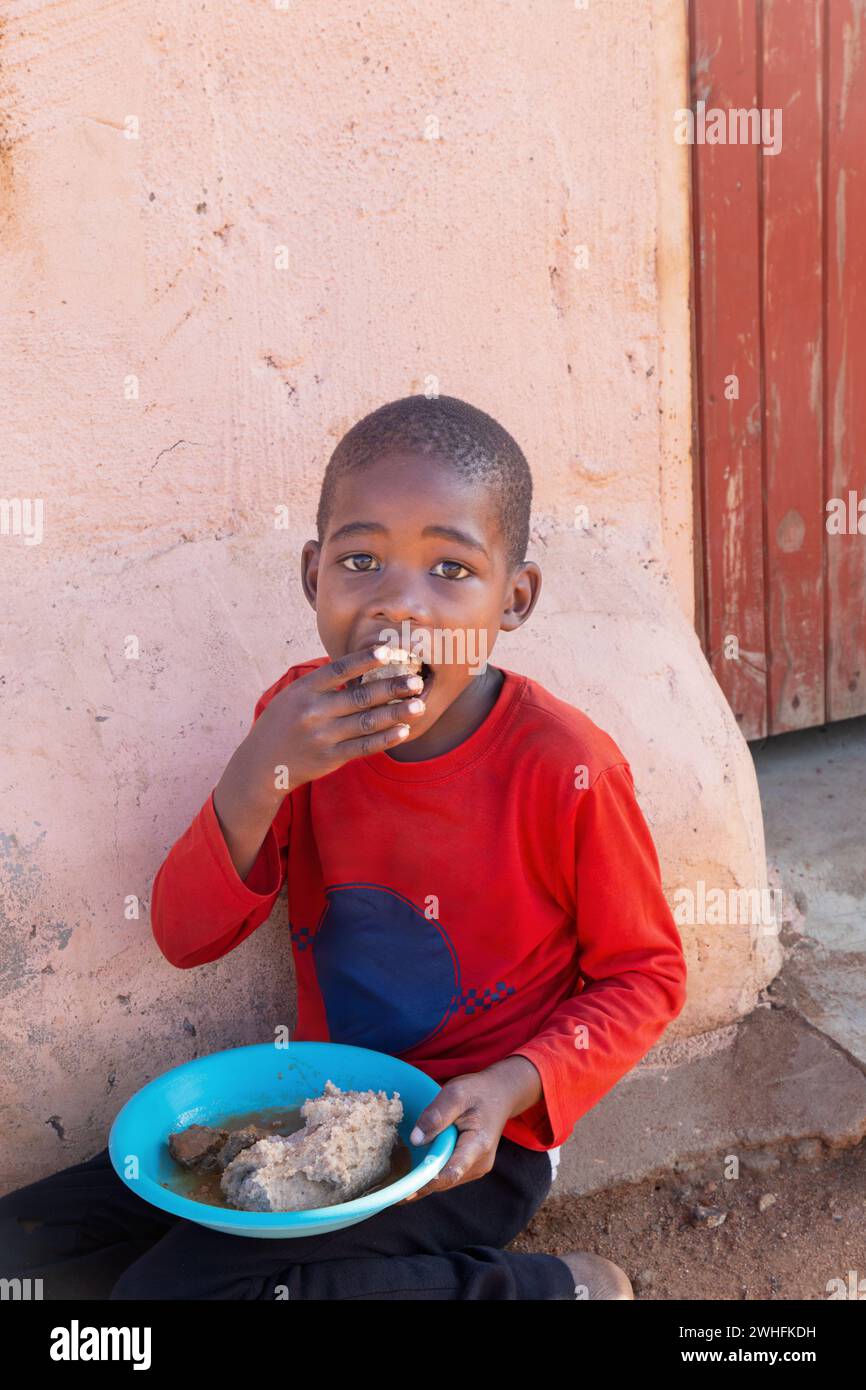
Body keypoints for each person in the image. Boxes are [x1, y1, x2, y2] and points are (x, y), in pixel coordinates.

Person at [1, 394, 687, 1300]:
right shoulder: (295, 723)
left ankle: (554, 1291)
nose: (399, 604)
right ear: (312, 577)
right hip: (317, 1112)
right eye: (361, 561)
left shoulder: (565, 768)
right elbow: (184, 937)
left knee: (165, 1299)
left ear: (514, 599)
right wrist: (260, 773)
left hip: (475, 1141)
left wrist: (516, 1084)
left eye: (450, 567)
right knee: (22, 1246)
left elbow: (647, 975)